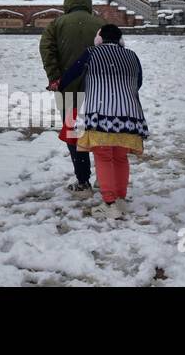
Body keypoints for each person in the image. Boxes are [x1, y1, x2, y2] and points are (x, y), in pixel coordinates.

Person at [56, 24, 148, 219]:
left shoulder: (91, 53)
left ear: (99, 39)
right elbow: (138, 82)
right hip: (130, 115)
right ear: (120, 40)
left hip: (100, 114)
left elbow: (71, 76)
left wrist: (59, 85)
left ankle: (109, 203)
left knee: (104, 156)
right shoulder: (132, 56)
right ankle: (121, 200)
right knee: (121, 157)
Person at [39, 0, 104, 194]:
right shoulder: (101, 24)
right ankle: (104, 178)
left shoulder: (56, 24)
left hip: (67, 88)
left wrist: (55, 76)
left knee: (74, 134)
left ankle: (83, 180)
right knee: (100, 132)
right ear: (87, 3)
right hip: (99, 90)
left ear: (67, 4)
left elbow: (46, 49)